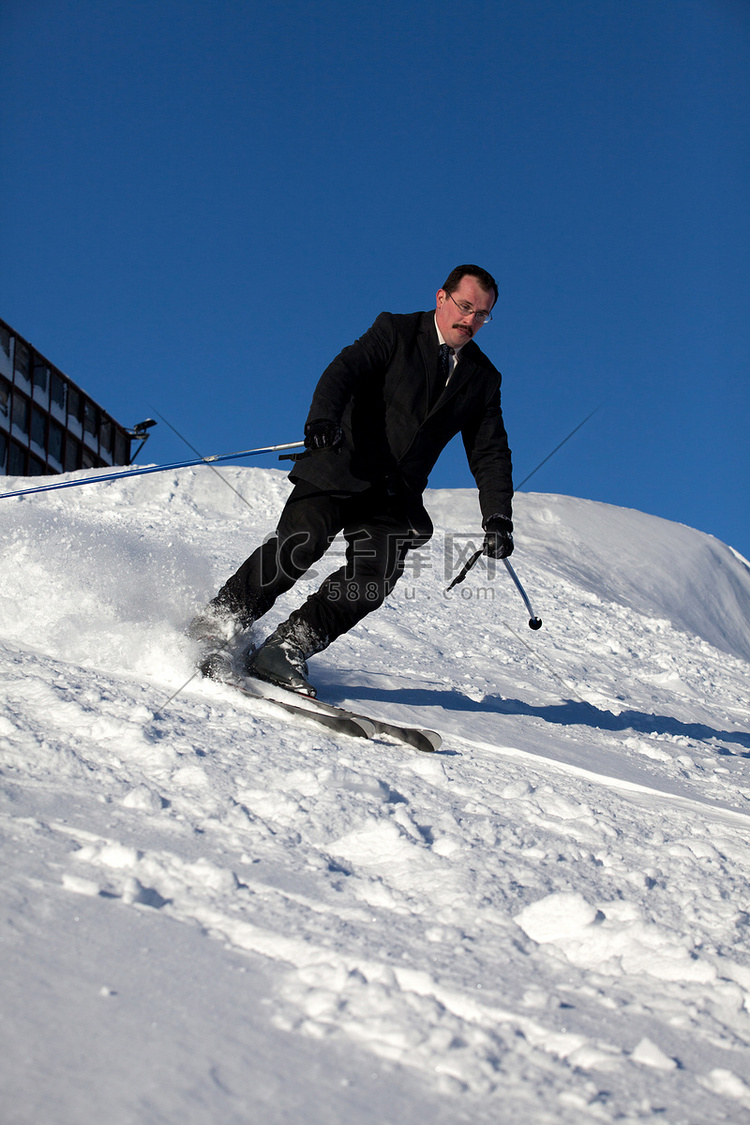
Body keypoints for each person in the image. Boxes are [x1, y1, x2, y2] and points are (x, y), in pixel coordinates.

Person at [189, 264, 514, 696]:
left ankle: (285, 649)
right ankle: (218, 622)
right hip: (342, 463)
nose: (471, 320)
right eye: (466, 306)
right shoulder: (395, 331)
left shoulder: (483, 378)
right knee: (301, 542)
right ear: (441, 297)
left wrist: (497, 515)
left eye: (483, 314)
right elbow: (343, 369)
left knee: (374, 578)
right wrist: (322, 419)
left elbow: (489, 450)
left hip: (394, 495)